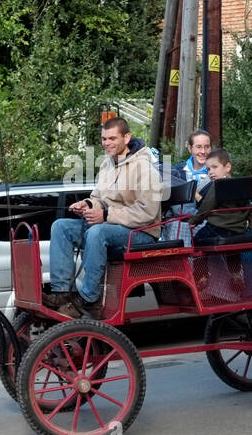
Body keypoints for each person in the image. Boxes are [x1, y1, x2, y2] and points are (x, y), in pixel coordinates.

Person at [43, 117, 163, 319]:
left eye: (112, 138)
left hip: (142, 233)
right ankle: (62, 293)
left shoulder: (145, 169)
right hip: (113, 228)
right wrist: (87, 205)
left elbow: (147, 213)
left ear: (126, 138)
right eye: (104, 138)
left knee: (97, 232)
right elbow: (98, 197)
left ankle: (89, 299)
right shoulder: (107, 165)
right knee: (60, 226)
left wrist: (106, 215)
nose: (106, 143)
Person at [188, 149, 252, 300]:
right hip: (237, 232)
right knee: (232, 251)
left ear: (228, 167)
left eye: (215, 167)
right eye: (208, 169)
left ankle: (201, 276)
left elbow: (206, 206)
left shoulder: (218, 185)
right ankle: (235, 273)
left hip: (216, 230)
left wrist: (194, 221)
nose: (211, 172)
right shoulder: (242, 185)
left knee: (197, 240)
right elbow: (250, 209)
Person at [162, 130, 213, 245]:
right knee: (177, 224)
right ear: (190, 149)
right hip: (178, 220)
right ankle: (182, 262)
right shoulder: (176, 171)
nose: (203, 151)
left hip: (206, 219)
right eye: (198, 147)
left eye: (207, 147)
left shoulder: (216, 172)